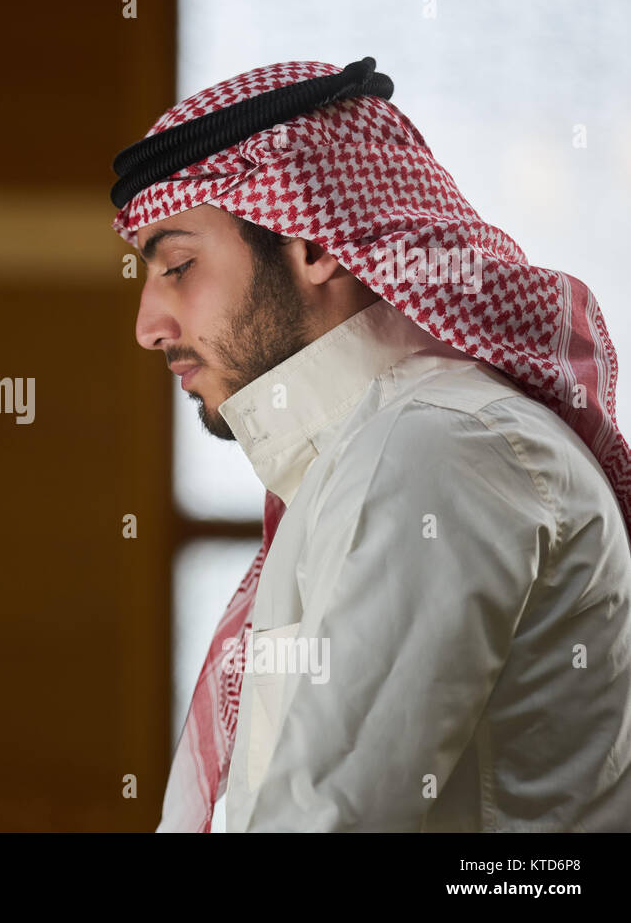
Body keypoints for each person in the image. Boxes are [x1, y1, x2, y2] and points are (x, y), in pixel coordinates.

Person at [110, 58, 631, 831]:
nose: (148, 324)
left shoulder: (435, 450)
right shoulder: (364, 454)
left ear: (314, 243)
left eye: (179, 266)